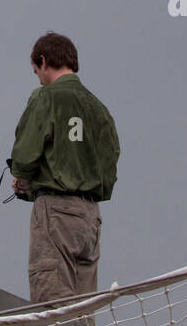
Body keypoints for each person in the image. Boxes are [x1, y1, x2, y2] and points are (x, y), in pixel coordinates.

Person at [10, 32, 119, 304]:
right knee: (82, 309)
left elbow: (26, 152)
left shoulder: (46, 97)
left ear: (43, 61)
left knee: (53, 300)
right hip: (90, 216)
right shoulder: (99, 109)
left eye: (37, 71)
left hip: (55, 210)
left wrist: (21, 178)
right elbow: (111, 156)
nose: (38, 77)